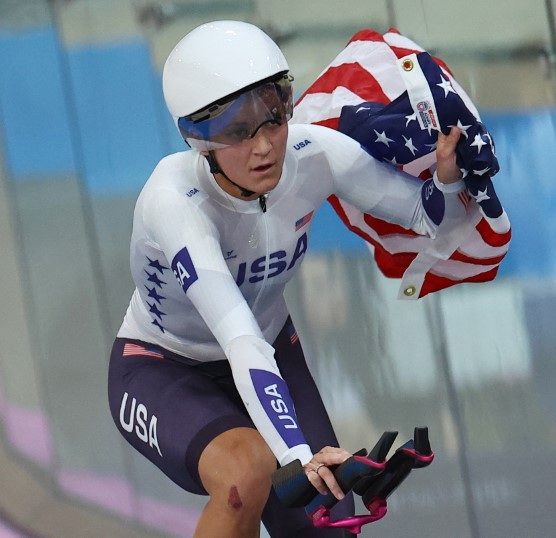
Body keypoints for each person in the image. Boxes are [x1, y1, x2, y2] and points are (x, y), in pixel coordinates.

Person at [107, 20, 469, 538]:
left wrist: (449, 175)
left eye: (273, 118)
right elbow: (240, 340)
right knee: (248, 472)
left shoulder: (312, 153)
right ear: (199, 140)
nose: (264, 146)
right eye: (237, 131)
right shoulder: (172, 203)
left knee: (329, 528)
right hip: (163, 368)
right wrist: (299, 457)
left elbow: (429, 219)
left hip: (271, 352)